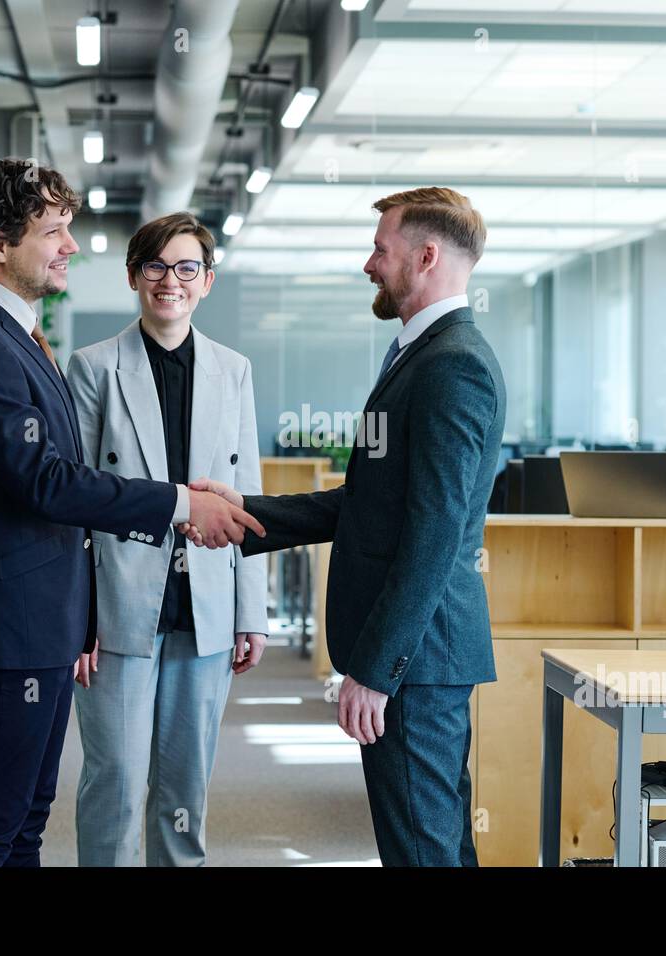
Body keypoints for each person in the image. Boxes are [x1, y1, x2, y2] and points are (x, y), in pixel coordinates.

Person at [0, 159, 262, 867]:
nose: (71, 245)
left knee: (22, 821)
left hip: (44, 619)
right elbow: (47, 482)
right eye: (54, 231)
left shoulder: (14, 334)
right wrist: (175, 503)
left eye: (69, 229)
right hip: (13, 624)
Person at [190, 187, 506, 866]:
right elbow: (365, 504)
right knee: (431, 842)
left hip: (417, 662)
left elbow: (434, 535)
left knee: (423, 847)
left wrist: (376, 669)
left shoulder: (452, 366)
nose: (369, 265)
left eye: (380, 250)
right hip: (420, 659)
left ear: (425, 256)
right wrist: (244, 510)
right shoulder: (422, 357)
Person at [67, 212, 268, 866]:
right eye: (154, 266)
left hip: (205, 610)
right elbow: (75, 501)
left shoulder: (234, 371)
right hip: (119, 607)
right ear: (134, 276)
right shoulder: (94, 367)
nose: (169, 281)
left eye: (186, 268)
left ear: (206, 281)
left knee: (184, 790)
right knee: (117, 782)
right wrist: (76, 620)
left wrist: (251, 614)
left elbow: (247, 499)